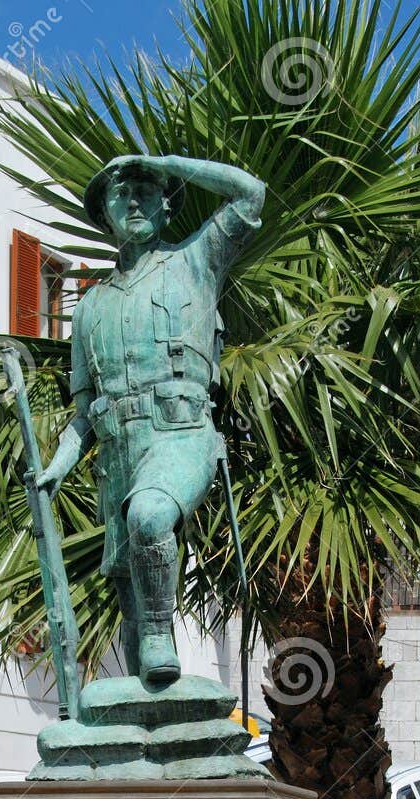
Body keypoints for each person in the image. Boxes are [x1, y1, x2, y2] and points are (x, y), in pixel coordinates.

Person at [36, 154, 265, 686]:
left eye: (146, 190)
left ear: (166, 205)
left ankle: (163, 636)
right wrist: (57, 466)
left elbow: (251, 193)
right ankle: (141, 720)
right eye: (122, 194)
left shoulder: (196, 261)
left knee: (151, 516)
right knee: (132, 623)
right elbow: (82, 416)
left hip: (181, 433)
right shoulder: (90, 308)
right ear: (107, 215)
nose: (134, 201)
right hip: (118, 452)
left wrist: (165, 162)